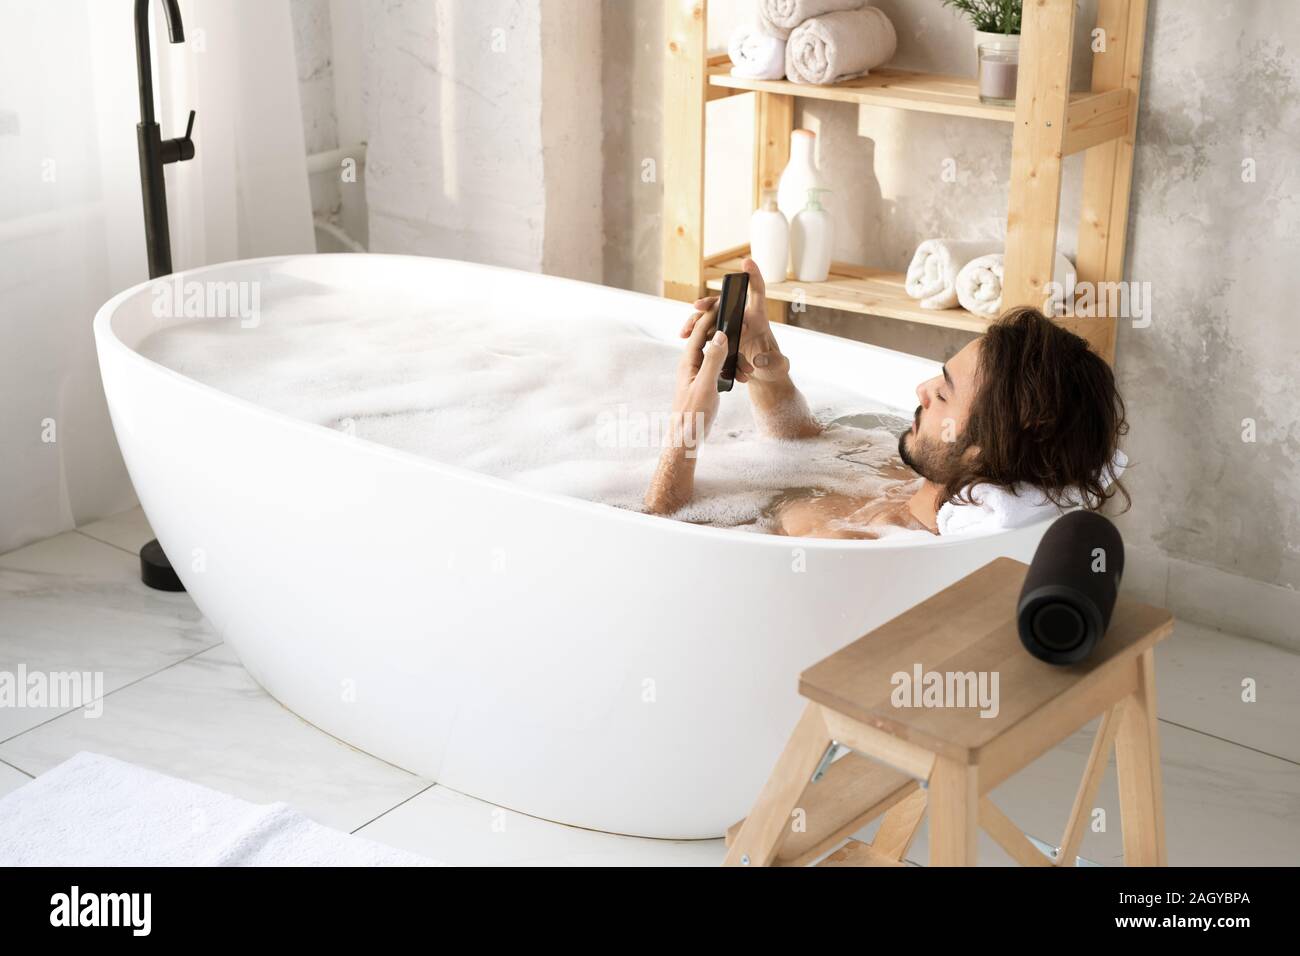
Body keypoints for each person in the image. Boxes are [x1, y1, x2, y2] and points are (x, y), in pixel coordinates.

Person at [643, 259, 1129, 538]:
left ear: (981, 448)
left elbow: (655, 539)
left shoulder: (854, 544)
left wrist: (685, 429)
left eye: (942, 393)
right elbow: (802, 441)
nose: (921, 390)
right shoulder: (920, 479)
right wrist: (766, 362)